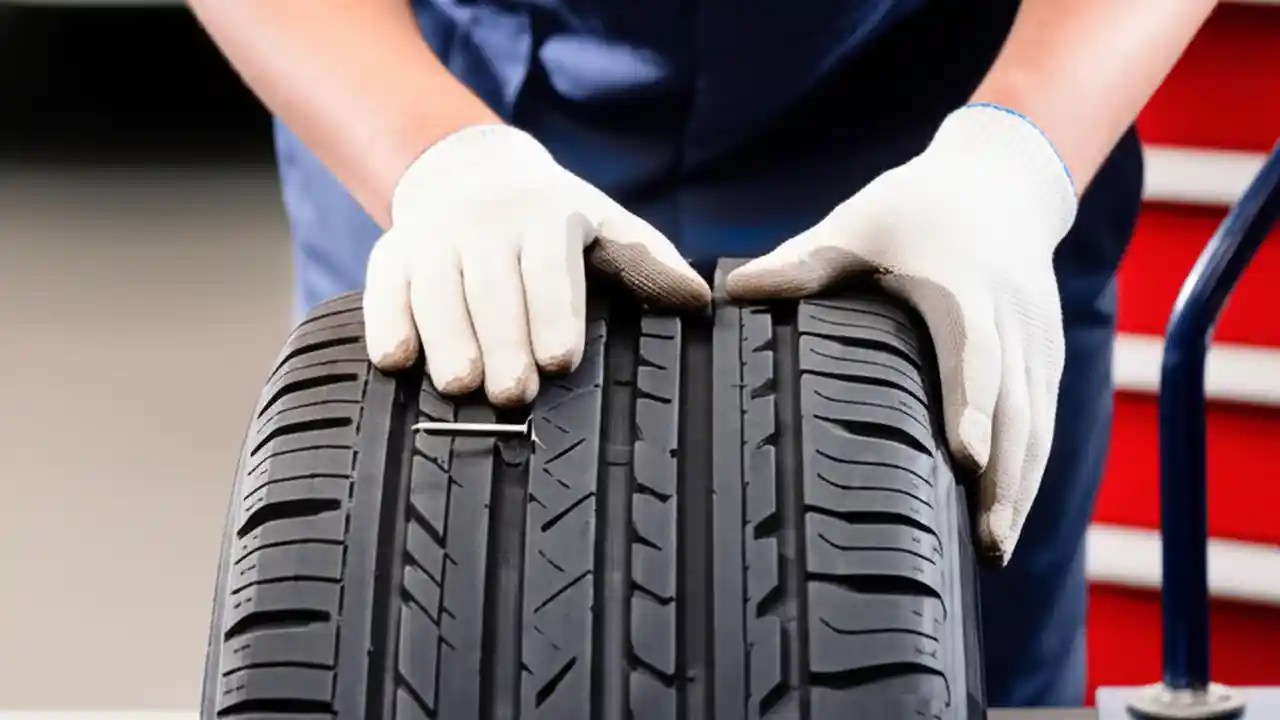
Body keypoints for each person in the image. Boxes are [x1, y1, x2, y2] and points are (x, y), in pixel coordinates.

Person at [190, 0, 1217, 707]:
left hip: (938, 136)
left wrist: (1014, 157)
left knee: (943, 656)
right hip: (457, 108)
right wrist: (427, 153)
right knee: (418, 654)